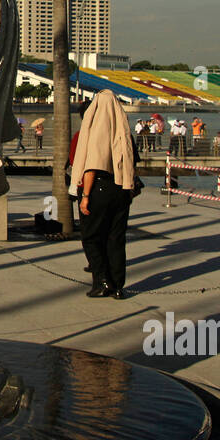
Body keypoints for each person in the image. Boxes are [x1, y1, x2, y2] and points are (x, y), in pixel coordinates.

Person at [73, 90, 137, 300]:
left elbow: (92, 165)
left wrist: (85, 196)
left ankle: (102, 281)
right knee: (116, 238)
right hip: (121, 189)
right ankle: (118, 285)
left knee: (91, 237)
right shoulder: (123, 130)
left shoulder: (95, 129)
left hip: (97, 188)